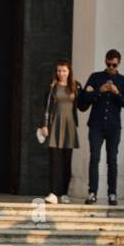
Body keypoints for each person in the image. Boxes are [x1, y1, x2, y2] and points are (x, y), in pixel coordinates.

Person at [78, 49, 124, 205]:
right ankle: (92, 192)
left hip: (114, 127)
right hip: (96, 124)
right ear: (105, 62)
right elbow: (84, 99)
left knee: (112, 160)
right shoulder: (95, 77)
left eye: (114, 65)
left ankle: (112, 194)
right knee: (94, 158)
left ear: (119, 63)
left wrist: (117, 93)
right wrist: (98, 91)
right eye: (109, 64)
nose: (111, 67)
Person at [37, 59, 82, 204]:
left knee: (66, 162)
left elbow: (81, 105)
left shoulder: (75, 87)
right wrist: (44, 125)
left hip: (69, 127)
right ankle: (53, 193)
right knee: (54, 161)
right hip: (55, 125)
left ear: (69, 72)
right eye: (59, 71)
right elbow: (46, 108)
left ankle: (64, 193)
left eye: (64, 71)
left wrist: (90, 93)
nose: (61, 73)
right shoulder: (52, 87)